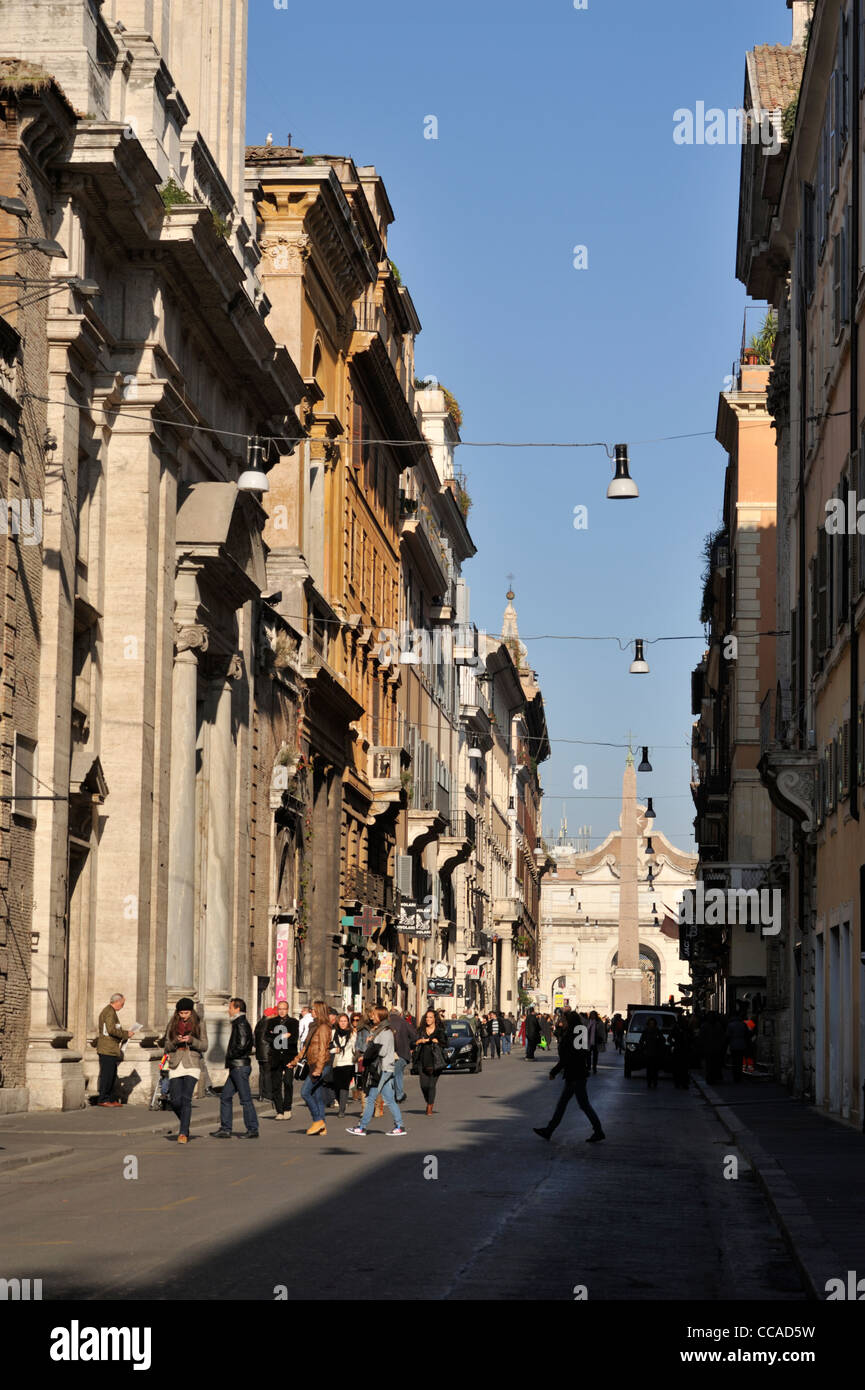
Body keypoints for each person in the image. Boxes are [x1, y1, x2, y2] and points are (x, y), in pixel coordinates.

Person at [534, 1010, 605, 1144]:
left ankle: (598, 1131)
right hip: (576, 1074)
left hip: (575, 1075)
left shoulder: (574, 1033)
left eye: (564, 1020)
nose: (561, 1022)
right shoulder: (578, 1031)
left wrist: (554, 1071)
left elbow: (569, 1056)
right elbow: (581, 1053)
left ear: (570, 1021)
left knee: (581, 1105)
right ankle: (549, 1130)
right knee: (569, 1104)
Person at [346, 1005, 407, 1136]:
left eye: (374, 1015)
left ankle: (362, 1127)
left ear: (381, 1016)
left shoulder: (385, 1032)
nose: (371, 1017)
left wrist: (371, 1043)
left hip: (382, 1069)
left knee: (370, 1097)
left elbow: (383, 1051)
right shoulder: (381, 1031)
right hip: (385, 1068)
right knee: (390, 1099)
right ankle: (400, 1126)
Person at [160, 997, 207, 1142]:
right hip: (175, 1063)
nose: (184, 1016)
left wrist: (191, 1040)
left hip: (192, 1063)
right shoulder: (172, 1024)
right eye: (181, 1013)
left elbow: (204, 1046)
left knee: (186, 1099)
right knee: (175, 1101)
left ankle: (183, 1133)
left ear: (191, 1012)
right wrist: (176, 1041)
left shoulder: (199, 1023)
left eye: (186, 1013)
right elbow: (166, 1047)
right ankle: (185, 1124)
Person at [210, 998, 259, 1139]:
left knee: (245, 1099)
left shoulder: (241, 1023)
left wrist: (231, 1054)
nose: (228, 1010)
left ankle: (252, 1128)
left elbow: (243, 1045)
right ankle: (225, 1129)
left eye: (230, 1007)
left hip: (239, 1066)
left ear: (237, 1009)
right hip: (236, 1066)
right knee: (225, 1096)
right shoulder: (238, 1022)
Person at [295, 1000, 333, 1135]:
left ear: (319, 1011)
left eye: (314, 1009)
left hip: (320, 1065)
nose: (311, 1011)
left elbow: (323, 1049)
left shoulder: (323, 1027)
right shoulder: (314, 1026)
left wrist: (319, 1069)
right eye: (311, 1009)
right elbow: (306, 1046)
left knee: (305, 1092)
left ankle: (317, 1120)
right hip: (312, 1063)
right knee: (317, 1096)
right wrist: (295, 1061)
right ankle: (322, 1125)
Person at [95, 993, 135, 1106]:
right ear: (116, 1002)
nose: (122, 1006)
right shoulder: (109, 1012)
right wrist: (126, 1034)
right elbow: (111, 1030)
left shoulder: (111, 1012)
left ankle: (111, 1099)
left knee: (112, 1074)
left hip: (110, 1049)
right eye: (122, 1004)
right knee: (107, 1075)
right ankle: (103, 1099)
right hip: (107, 1049)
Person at [264, 1000, 299, 1119]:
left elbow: (293, 1038)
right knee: (276, 1084)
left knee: (288, 1082)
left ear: (287, 1009)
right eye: (280, 1009)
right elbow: (267, 1037)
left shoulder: (293, 1022)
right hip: (275, 1056)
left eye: (284, 1009)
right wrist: (282, 1036)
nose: (282, 1011)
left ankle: (287, 1108)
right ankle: (279, 1111)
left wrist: (277, 1037)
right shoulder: (271, 1022)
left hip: (289, 1056)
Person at [412, 1008, 447, 1114]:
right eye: (427, 1017)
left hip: (435, 1062)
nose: (428, 1019)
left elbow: (445, 1043)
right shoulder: (420, 1031)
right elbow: (412, 1043)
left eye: (430, 1017)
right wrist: (419, 1041)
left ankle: (430, 1106)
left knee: (431, 1085)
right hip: (422, 1061)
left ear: (435, 1019)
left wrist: (438, 1042)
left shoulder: (439, 1031)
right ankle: (429, 1100)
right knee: (423, 1086)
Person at [388, 1006, 417, 1103]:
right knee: (397, 1073)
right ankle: (398, 1095)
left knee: (392, 1074)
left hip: (388, 1053)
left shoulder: (385, 1023)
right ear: (400, 1014)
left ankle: (397, 1094)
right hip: (402, 1053)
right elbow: (414, 1037)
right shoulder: (404, 1023)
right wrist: (410, 1047)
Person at [330, 1012, 356, 1117]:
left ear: (348, 1022)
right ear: (338, 1022)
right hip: (337, 1062)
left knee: (344, 1086)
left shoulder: (352, 1033)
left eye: (345, 1021)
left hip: (348, 1062)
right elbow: (327, 1048)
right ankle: (340, 1103)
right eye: (341, 1021)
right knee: (336, 1086)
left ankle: (342, 1110)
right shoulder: (333, 1032)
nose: (343, 1023)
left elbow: (355, 1047)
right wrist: (333, 1050)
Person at [726, 1012, 749, 1084]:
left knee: (734, 1061)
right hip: (742, 1044)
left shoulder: (730, 1025)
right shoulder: (743, 1024)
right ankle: (739, 1075)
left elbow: (727, 1035)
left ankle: (735, 1076)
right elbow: (747, 1034)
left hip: (733, 1044)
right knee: (740, 1061)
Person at [642, 1016, 664, 1090]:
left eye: (653, 1023)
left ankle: (655, 1082)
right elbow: (641, 1040)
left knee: (655, 1069)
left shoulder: (657, 1031)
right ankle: (649, 1082)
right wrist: (643, 1048)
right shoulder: (646, 1031)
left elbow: (662, 1039)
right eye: (650, 1023)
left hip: (655, 1053)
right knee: (649, 1069)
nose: (652, 1025)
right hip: (648, 1053)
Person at [669, 1017, 690, 1090]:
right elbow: (670, 1038)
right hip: (678, 1051)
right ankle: (679, 1082)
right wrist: (674, 1043)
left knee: (683, 1068)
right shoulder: (676, 1029)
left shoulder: (686, 1029)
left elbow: (690, 1038)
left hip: (684, 1051)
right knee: (678, 1068)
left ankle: (683, 1083)